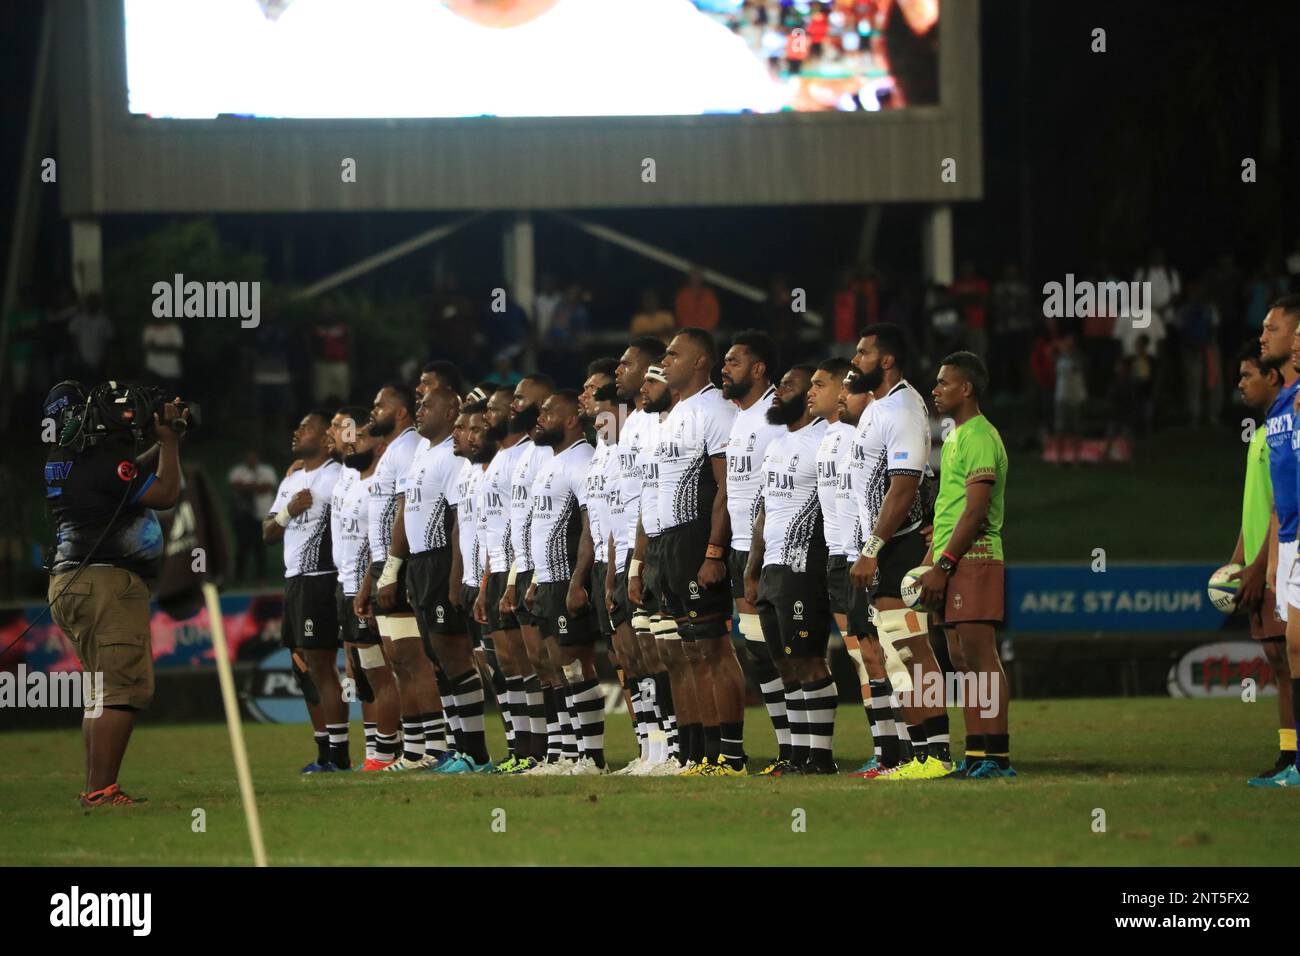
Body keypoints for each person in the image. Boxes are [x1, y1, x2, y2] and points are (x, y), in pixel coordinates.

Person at [45, 382, 188, 806]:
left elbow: (123, 474)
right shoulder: (104, 461)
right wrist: (170, 444)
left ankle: (95, 786)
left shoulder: (64, 458)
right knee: (123, 688)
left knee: (101, 692)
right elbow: (164, 493)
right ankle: (102, 790)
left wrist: (160, 446)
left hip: (71, 581)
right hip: (106, 582)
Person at [848, 324, 950, 780]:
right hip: (883, 546)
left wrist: (872, 548)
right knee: (894, 653)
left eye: (863, 353)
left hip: (899, 544)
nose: (855, 360)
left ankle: (937, 755)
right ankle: (919, 755)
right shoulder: (877, 407)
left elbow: (903, 487)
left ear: (886, 360)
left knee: (911, 649)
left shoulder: (905, 406)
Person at [382, 387, 493, 773]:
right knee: (438, 657)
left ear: (450, 412)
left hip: (442, 562)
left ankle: (475, 753)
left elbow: (458, 519)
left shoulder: (451, 457)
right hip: (420, 565)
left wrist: (454, 574)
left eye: (428, 405)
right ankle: (457, 750)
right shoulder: (421, 455)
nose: (419, 409)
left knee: (455, 656)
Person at [653, 328, 746, 775]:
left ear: (699, 362)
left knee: (713, 648)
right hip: (669, 543)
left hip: (696, 539)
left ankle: (730, 754)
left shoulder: (715, 410)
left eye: (673, 354)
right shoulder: (674, 414)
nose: (664, 360)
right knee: (689, 651)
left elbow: (726, 487)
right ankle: (700, 753)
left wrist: (713, 551)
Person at [920, 351, 1014, 778]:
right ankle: (976, 754)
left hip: (973, 559)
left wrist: (944, 562)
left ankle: (996, 757)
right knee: (961, 659)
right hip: (952, 559)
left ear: (967, 388)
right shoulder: (957, 436)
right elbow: (953, 506)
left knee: (980, 657)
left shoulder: (978, 436)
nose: (936, 390)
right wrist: (932, 558)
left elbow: (976, 512)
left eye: (944, 383)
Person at [746, 366, 835, 772]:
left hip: (804, 564)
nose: (778, 393)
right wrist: (752, 565)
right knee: (783, 661)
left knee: (808, 658)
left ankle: (821, 757)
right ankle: (798, 756)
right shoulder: (777, 443)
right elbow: (764, 509)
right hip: (772, 567)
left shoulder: (824, 442)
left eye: (788, 387)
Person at [357, 383, 447, 771]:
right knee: (399, 660)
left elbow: (405, 512)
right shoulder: (394, 451)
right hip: (384, 565)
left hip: (405, 563)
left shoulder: (408, 447)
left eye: (380, 405)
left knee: (414, 659)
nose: (373, 411)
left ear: (401, 413)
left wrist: (393, 568)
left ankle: (437, 746)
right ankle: (414, 750)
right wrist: (371, 577)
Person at [524, 391, 605, 774]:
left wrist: (578, 581)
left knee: (576, 664)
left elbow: (589, 525)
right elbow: (542, 528)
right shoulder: (550, 462)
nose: (540, 417)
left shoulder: (583, 460)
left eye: (548, 412)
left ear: (572, 419)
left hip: (568, 578)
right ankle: (567, 752)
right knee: (556, 666)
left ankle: (593, 757)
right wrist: (537, 579)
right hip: (548, 579)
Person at [608, 339, 679, 775]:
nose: (620, 370)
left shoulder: (664, 420)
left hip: (665, 547)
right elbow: (633, 502)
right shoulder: (631, 423)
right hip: (635, 552)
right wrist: (629, 563)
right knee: (640, 656)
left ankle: (674, 746)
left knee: (664, 651)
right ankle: (653, 748)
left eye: (626, 364)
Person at [719, 331, 787, 770]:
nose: (725, 368)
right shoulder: (739, 416)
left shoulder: (777, 414)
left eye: (734, 361)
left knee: (787, 652)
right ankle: (789, 745)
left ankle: (804, 745)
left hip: (773, 549)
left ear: (759, 369)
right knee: (758, 651)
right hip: (741, 548)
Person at [263, 411, 345, 772]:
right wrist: (288, 512)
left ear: (327, 438)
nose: (297, 432)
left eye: (305, 427)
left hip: (321, 577)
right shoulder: (292, 479)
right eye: (296, 426)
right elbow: (268, 531)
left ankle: (338, 756)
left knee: (321, 666)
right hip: (294, 578)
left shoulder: (336, 475)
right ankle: (323, 752)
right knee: (302, 667)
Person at [1228, 346, 1294, 784]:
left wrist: (1258, 567)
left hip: (1276, 561)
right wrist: (1237, 558)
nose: (1240, 382)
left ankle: (1293, 757)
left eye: (1248, 374)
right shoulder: (1263, 433)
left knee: (1288, 656)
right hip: (1258, 560)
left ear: (1272, 378)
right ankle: (1289, 751)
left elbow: (1281, 507)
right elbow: (1255, 504)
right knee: (1277, 656)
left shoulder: (1284, 432)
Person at [475, 385, 543, 773]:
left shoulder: (528, 455)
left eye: (499, 408)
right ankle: (521, 748)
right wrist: (486, 582)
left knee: (530, 660)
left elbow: (526, 522)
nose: (489, 416)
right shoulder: (501, 458)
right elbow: (493, 527)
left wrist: (517, 574)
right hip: (499, 569)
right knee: (508, 664)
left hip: (524, 566)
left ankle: (541, 747)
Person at [329, 406, 401, 771]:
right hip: (347, 586)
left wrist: (367, 587)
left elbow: (382, 543)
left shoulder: (379, 485)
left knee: (379, 671)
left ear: (380, 447)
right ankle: (378, 750)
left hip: (366, 588)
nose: (351, 442)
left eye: (358, 436)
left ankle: (386, 752)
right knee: (359, 675)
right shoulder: (347, 475)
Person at [1253, 295, 1300, 787]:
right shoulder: (1281, 404)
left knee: (1296, 647)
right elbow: (1278, 491)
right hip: (1287, 543)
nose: (1263, 336)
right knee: (1292, 651)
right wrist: (1273, 558)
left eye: (1272, 329)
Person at [227, 450, 278, 584]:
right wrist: (256, 487)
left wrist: (247, 486)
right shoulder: (238, 470)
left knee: (259, 546)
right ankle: (239, 577)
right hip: (242, 514)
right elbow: (235, 485)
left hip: (261, 514)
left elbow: (267, 487)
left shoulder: (266, 470)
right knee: (242, 545)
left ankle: (261, 577)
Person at [674, 268, 721, 332]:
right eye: (694, 275)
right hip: (686, 331)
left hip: (707, 332)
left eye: (699, 275)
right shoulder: (683, 295)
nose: (696, 278)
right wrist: (692, 330)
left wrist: (704, 330)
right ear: (689, 276)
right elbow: (680, 315)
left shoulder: (709, 295)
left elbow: (714, 315)